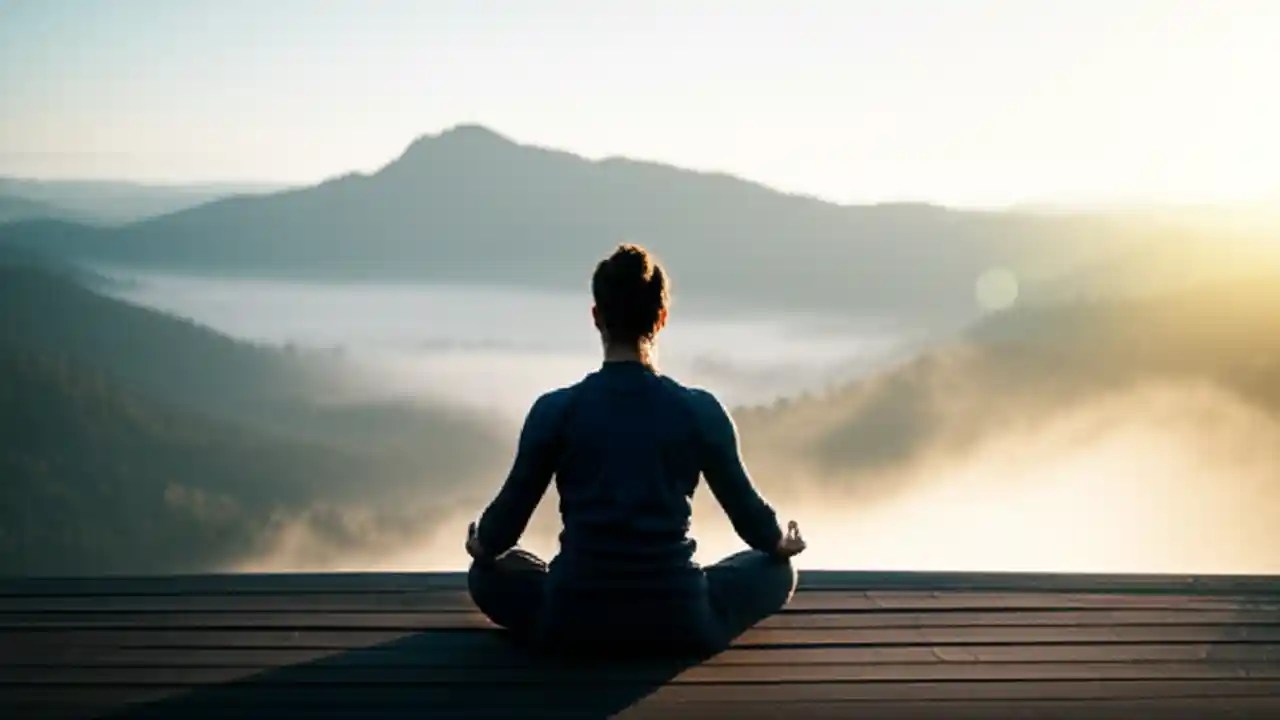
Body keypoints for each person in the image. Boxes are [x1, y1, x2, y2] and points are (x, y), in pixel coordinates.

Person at [466, 244, 806, 656]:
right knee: (776, 572)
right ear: (661, 319)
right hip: (680, 619)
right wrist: (779, 543)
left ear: (597, 317)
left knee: (485, 576)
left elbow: (503, 528)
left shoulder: (555, 410)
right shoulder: (699, 410)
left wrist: (482, 543)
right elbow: (751, 519)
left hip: (571, 617)